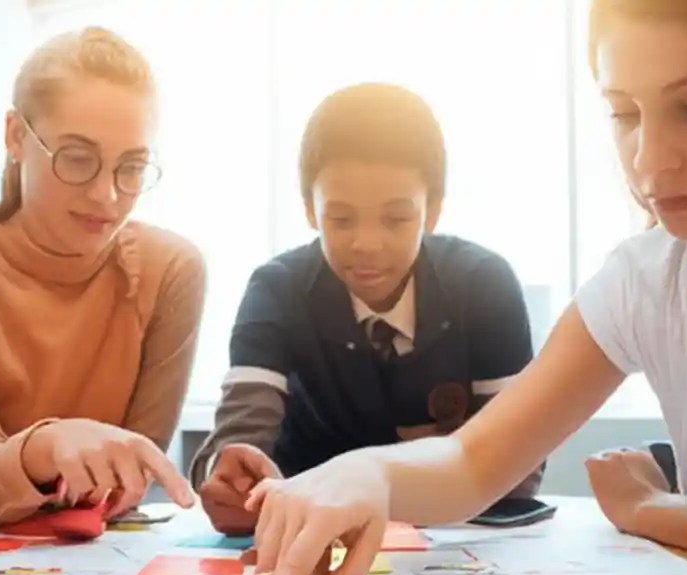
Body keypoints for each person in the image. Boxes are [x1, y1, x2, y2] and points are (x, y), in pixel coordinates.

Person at [246, 0, 687, 575]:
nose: (649, 159)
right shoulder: (644, 278)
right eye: (624, 113)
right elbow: (473, 461)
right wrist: (367, 473)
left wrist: (653, 510)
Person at [190, 83, 541, 536]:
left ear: (433, 212)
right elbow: (239, 438)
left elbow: (517, 468)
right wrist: (231, 477)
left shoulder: (483, 284)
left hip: (450, 539)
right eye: (341, 219)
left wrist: (382, 494)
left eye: (396, 219)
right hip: (309, 535)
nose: (367, 244)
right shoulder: (276, 289)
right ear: (310, 210)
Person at [0, 27, 203, 528]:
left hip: (96, 542)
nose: (106, 195)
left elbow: (133, 475)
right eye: (77, 159)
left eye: (131, 167)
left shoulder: (171, 270)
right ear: (16, 136)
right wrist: (48, 444)